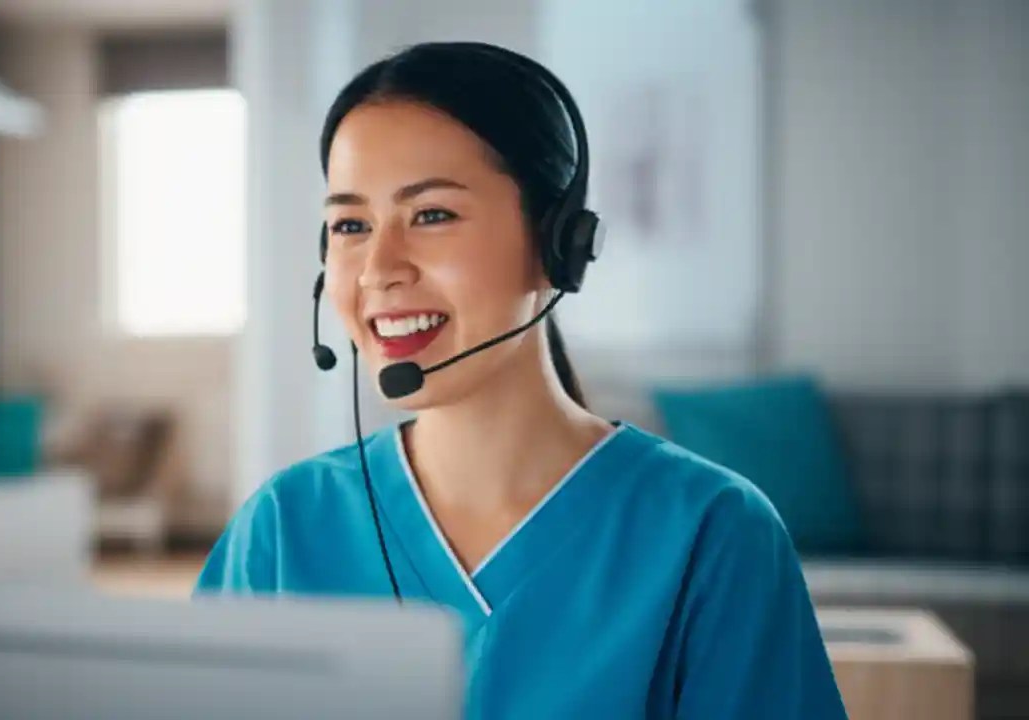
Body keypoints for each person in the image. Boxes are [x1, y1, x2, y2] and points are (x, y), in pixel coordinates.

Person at [196, 41, 847, 719]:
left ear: (557, 245)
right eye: (350, 225)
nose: (378, 268)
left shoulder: (714, 534)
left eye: (431, 215)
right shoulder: (282, 529)